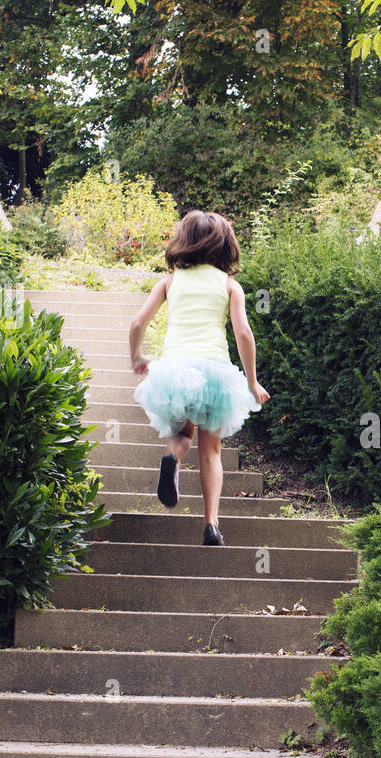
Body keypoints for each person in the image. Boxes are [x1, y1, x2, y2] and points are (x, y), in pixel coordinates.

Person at [128, 210, 270, 545]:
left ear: (184, 241)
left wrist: (138, 358)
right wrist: (251, 381)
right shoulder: (229, 285)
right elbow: (244, 334)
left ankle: (171, 459)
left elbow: (137, 323)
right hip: (216, 374)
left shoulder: (170, 281)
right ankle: (211, 524)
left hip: (176, 371)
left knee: (181, 435)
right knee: (211, 451)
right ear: (225, 245)